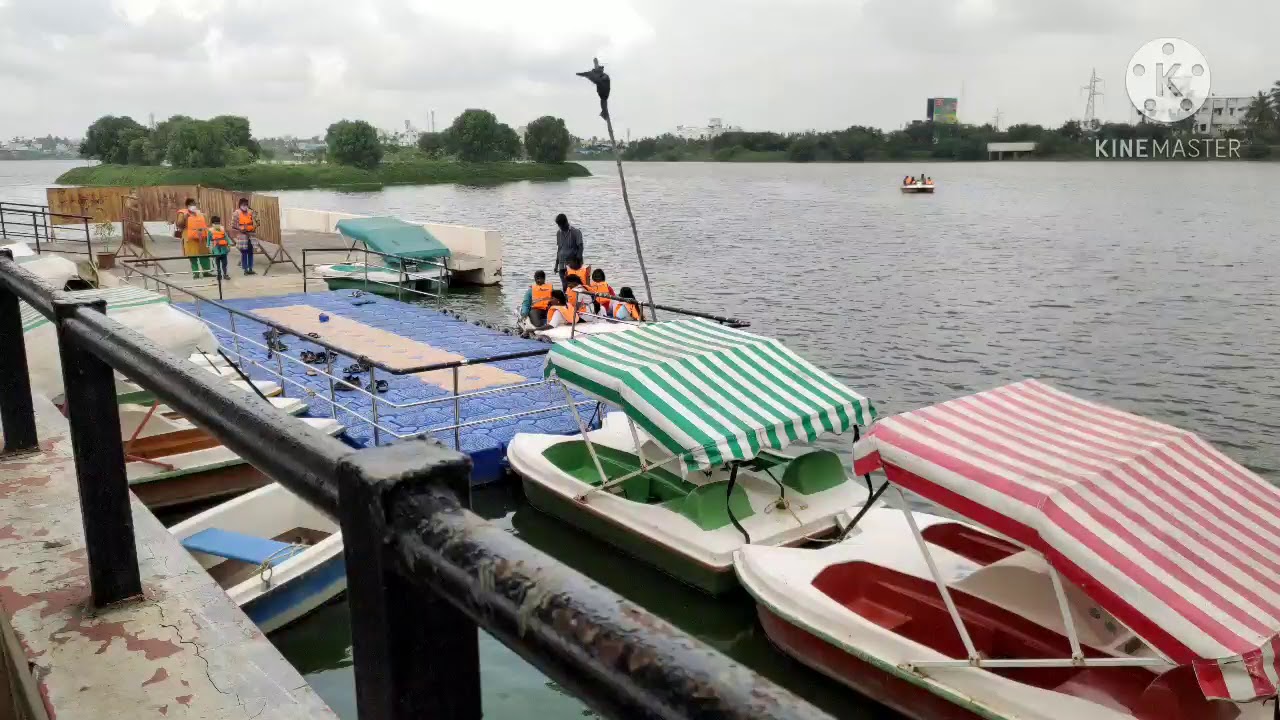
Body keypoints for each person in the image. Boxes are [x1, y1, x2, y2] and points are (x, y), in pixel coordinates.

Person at [176, 198, 212, 279]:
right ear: (187, 206)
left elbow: (206, 224)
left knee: (204, 254)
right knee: (193, 256)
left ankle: (206, 272)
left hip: (201, 237)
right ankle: (196, 273)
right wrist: (185, 218)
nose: (194, 206)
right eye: (192, 204)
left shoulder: (200, 214)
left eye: (195, 204)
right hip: (190, 238)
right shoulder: (182, 213)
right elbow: (179, 225)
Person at [553, 213, 584, 290]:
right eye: (559, 225)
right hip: (562, 264)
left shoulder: (576, 232)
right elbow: (559, 249)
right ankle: (566, 300)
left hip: (573, 264)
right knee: (564, 285)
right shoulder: (558, 233)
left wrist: (578, 261)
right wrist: (556, 264)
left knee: (574, 285)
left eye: (561, 225)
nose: (560, 227)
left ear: (566, 222)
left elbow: (580, 247)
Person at [231, 198, 258, 275]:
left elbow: (256, 222)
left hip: (251, 235)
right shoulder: (236, 213)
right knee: (244, 253)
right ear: (240, 205)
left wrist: (254, 226)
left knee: (251, 252)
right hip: (242, 235)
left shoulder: (251, 212)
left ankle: (250, 268)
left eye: (246, 204)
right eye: (243, 204)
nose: (245, 206)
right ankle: (245, 269)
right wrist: (240, 229)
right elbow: (233, 225)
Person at [207, 216, 231, 280]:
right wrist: (208, 247)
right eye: (215, 223)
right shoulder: (210, 231)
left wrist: (229, 244)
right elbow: (208, 239)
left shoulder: (222, 229)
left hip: (223, 249)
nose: (217, 224)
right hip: (216, 250)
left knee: (224, 264)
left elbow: (226, 237)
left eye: (218, 223)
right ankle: (219, 274)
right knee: (218, 264)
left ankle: (225, 274)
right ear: (212, 223)